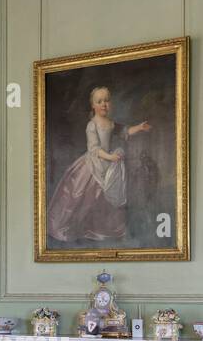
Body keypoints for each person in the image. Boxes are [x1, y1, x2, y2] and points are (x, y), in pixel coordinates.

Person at [46, 86, 150, 243]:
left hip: (108, 163)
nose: (104, 104)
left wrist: (140, 127)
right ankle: (77, 226)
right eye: (99, 101)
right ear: (93, 105)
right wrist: (109, 156)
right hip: (92, 165)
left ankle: (101, 229)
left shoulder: (111, 123)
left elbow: (125, 131)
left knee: (104, 199)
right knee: (84, 197)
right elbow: (94, 149)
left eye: (107, 100)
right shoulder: (92, 125)